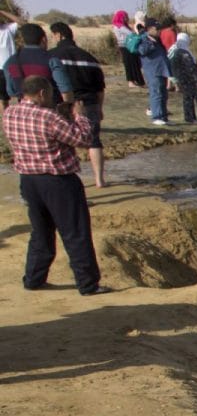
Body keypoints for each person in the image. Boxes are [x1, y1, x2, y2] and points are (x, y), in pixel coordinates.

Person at [2, 75, 109, 295]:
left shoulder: (9, 113)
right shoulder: (48, 117)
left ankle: (33, 279)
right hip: (58, 180)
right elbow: (83, 139)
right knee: (75, 232)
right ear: (42, 93)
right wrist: (80, 116)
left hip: (29, 180)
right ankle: (88, 284)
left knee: (40, 232)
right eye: (50, 92)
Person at [47, 23, 108, 187]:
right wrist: (100, 108)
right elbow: (100, 88)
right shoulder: (89, 58)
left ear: (58, 35)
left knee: (63, 142)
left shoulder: (51, 56)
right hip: (89, 102)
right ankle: (99, 180)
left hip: (62, 103)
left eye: (52, 35)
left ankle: (67, 179)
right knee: (94, 141)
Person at [4, 23, 58, 104]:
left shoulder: (11, 61)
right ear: (43, 39)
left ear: (22, 40)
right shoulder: (51, 59)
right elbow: (64, 87)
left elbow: (11, 91)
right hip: (48, 104)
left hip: (23, 104)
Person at [169, 32, 197, 123]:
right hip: (189, 80)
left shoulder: (175, 49)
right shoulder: (184, 53)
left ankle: (190, 117)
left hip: (182, 79)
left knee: (188, 98)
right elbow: (191, 68)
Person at [138, 18, 172, 125]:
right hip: (152, 71)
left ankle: (164, 117)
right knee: (156, 93)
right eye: (157, 29)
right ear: (149, 29)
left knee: (163, 94)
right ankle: (156, 117)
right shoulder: (145, 39)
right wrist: (149, 42)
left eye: (159, 28)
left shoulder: (157, 40)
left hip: (161, 70)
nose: (159, 31)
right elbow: (142, 51)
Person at [110, 10, 144, 87]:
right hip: (125, 47)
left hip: (128, 46)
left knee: (133, 63)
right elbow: (130, 33)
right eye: (125, 17)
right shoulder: (119, 26)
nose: (127, 18)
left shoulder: (122, 26)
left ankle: (135, 80)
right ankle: (131, 81)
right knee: (129, 64)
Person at [0, 7, 22, 113]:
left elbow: (21, 22)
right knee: (3, 99)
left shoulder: (8, 28)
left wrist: (2, 11)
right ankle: (5, 122)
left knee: (19, 95)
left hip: (13, 67)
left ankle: (20, 117)